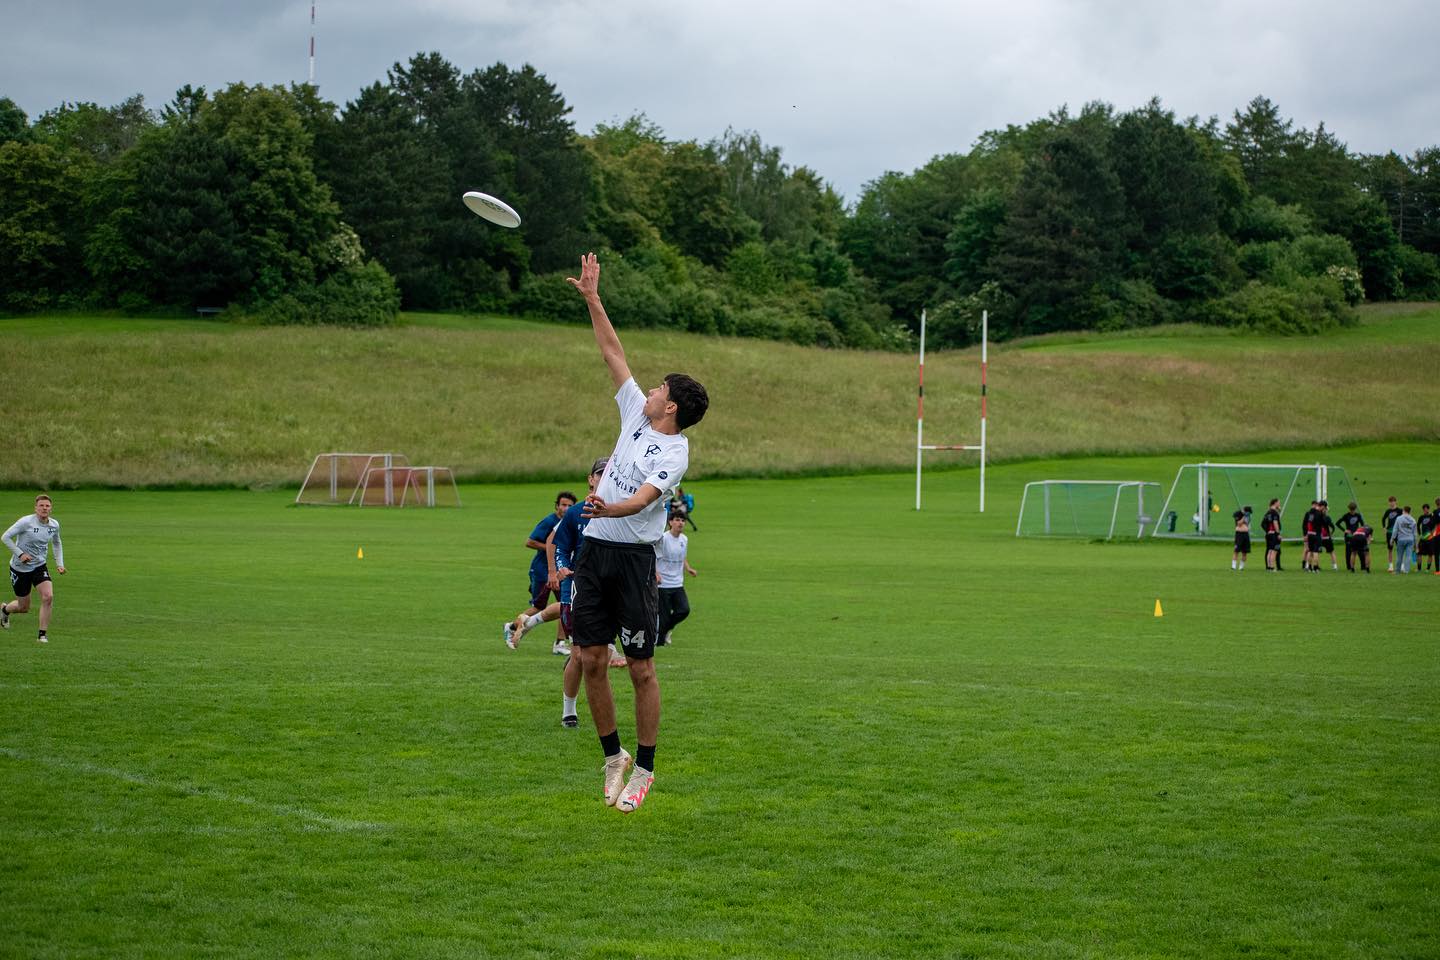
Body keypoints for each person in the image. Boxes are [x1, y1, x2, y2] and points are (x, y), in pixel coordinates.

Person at [566, 251, 708, 814]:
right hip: (596, 552)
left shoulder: (675, 451)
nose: (646, 388)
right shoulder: (634, 414)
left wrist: (607, 508)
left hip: (632, 561)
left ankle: (645, 767)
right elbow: (612, 352)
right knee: (590, 658)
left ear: (670, 407)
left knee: (642, 669)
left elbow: (646, 499)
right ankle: (613, 756)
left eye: (657, 388)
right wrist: (592, 298)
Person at [504, 490, 576, 654]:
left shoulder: (569, 521)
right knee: (541, 606)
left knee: (564, 604)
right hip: (543, 570)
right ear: (557, 506)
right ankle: (512, 627)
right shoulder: (550, 521)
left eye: (569, 506)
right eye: (563, 505)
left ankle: (559, 643)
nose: (566, 508)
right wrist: (555, 549)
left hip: (560, 570)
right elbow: (530, 542)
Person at [2, 494, 67, 643]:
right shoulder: (25, 522)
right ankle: (4, 610)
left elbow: (57, 543)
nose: (44, 508)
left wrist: (60, 564)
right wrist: (20, 554)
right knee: (23, 607)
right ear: (36, 508)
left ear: (51, 508)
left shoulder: (54, 525)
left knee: (48, 597)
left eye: (47, 506)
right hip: (20, 568)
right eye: (41, 505)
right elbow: (5, 537)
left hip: (39, 565)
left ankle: (42, 635)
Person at [656, 512, 698, 641]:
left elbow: (682, 556)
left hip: (677, 583)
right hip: (663, 584)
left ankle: (664, 631)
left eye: (683, 521)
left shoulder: (684, 539)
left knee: (683, 610)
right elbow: (654, 556)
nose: (680, 523)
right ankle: (659, 642)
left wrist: (688, 568)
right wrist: (656, 573)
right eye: (677, 520)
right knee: (664, 616)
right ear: (670, 522)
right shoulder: (663, 539)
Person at [1335, 501, 1370, 573]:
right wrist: (1344, 530)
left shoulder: (1358, 515)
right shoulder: (1346, 516)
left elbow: (1362, 525)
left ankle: (1363, 566)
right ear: (1349, 509)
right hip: (1349, 536)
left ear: (1355, 509)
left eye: (1353, 510)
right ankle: (1349, 567)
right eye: (1351, 510)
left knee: (1360, 551)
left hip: (1356, 535)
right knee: (1349, 551)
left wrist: (1361, 531)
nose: (1352, 511)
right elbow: (1337, 523)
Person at [1392, 505, 1418, 574]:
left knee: (1399, 556)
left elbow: (1395, 530)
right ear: (1410, 511)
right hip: (1410, 539)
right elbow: (1415, 533)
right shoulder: (1413, 520)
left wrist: (1392, 539)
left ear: (1403, 510)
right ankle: (1406, 570)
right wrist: (1416, 544)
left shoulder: (1399, 518)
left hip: (1401, 539)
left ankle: (1397, 571)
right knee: (1408, 556)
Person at [1261, 498, 1283, 572]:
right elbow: (1275, 523)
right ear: (1275, 503)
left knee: (1269, 551)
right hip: (1274, 534)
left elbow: (1262, 524)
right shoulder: (1274, 513)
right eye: (1278, 502)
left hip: (1269, 534)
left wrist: (1268, 531)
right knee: (1274, 551)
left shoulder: (1268, 512)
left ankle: (1269, 567)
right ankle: (1272, 567)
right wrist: (1278, 534)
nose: (1279, 504)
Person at [1381, 496, 1402, 571]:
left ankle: (1401, 565)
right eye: (1390, 502)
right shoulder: (1388, 511)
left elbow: (1404, 519)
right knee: (1390, 549)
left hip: (1398, 532)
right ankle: (1390, 566)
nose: (1391, 503)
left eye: (1393, 501)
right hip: (1389, 532)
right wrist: (1384, 527)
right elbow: (1383, 519)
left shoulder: (1400, 510)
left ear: (1396, 502)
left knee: (1400, 549)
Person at [1300, 500, 1322, 572]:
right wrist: (1305, 534)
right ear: (1314, 505)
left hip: (1309, 534)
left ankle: (1308, 566)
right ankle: (1307, 566)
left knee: (1309, 550)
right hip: (1311, 534)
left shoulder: (1310, 513)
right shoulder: (1310, 513)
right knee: (1309, 550)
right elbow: (1304, 525)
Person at [1318, 500, 1339, 571]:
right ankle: (1335, 566)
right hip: (1327, 537)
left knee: (1316, 552)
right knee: (1332, 552)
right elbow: (1333, 527)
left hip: (1319, 537)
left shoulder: (1316, 516)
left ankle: (1315, 566)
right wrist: (1331, 534)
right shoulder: (1327, 517)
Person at [1417, 503, 1437, 573]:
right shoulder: (1421, 517)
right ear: (1423, 510)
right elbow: (1418, 525)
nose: (1425, 510)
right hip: (1423, 538)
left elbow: (1435, 525)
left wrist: (1432, 533)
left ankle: (1428, 569)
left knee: (1430, 554)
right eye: (1424, 509)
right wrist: (1419, 534)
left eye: (1426, 509)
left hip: (1430, 538)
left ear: (1428, 509)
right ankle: (1419, 569)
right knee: (1419, 553)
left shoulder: (1432, 516)